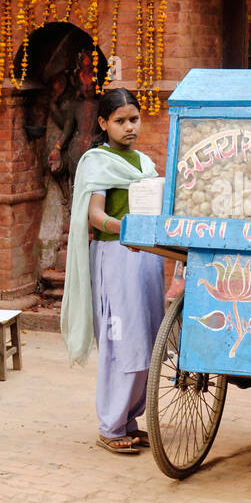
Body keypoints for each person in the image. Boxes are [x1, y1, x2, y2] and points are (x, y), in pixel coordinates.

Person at [60, 87, 167, 455]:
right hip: (116, 258)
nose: (129, 127)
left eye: (134, 119)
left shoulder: (145, 163)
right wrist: (129, 228)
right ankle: (110, 425)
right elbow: (96, 216)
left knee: (147, 339)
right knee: (122, 341)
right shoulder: (97, 162)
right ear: (104, 123)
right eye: (120, 121)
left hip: (148, 260)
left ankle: (129, 421)